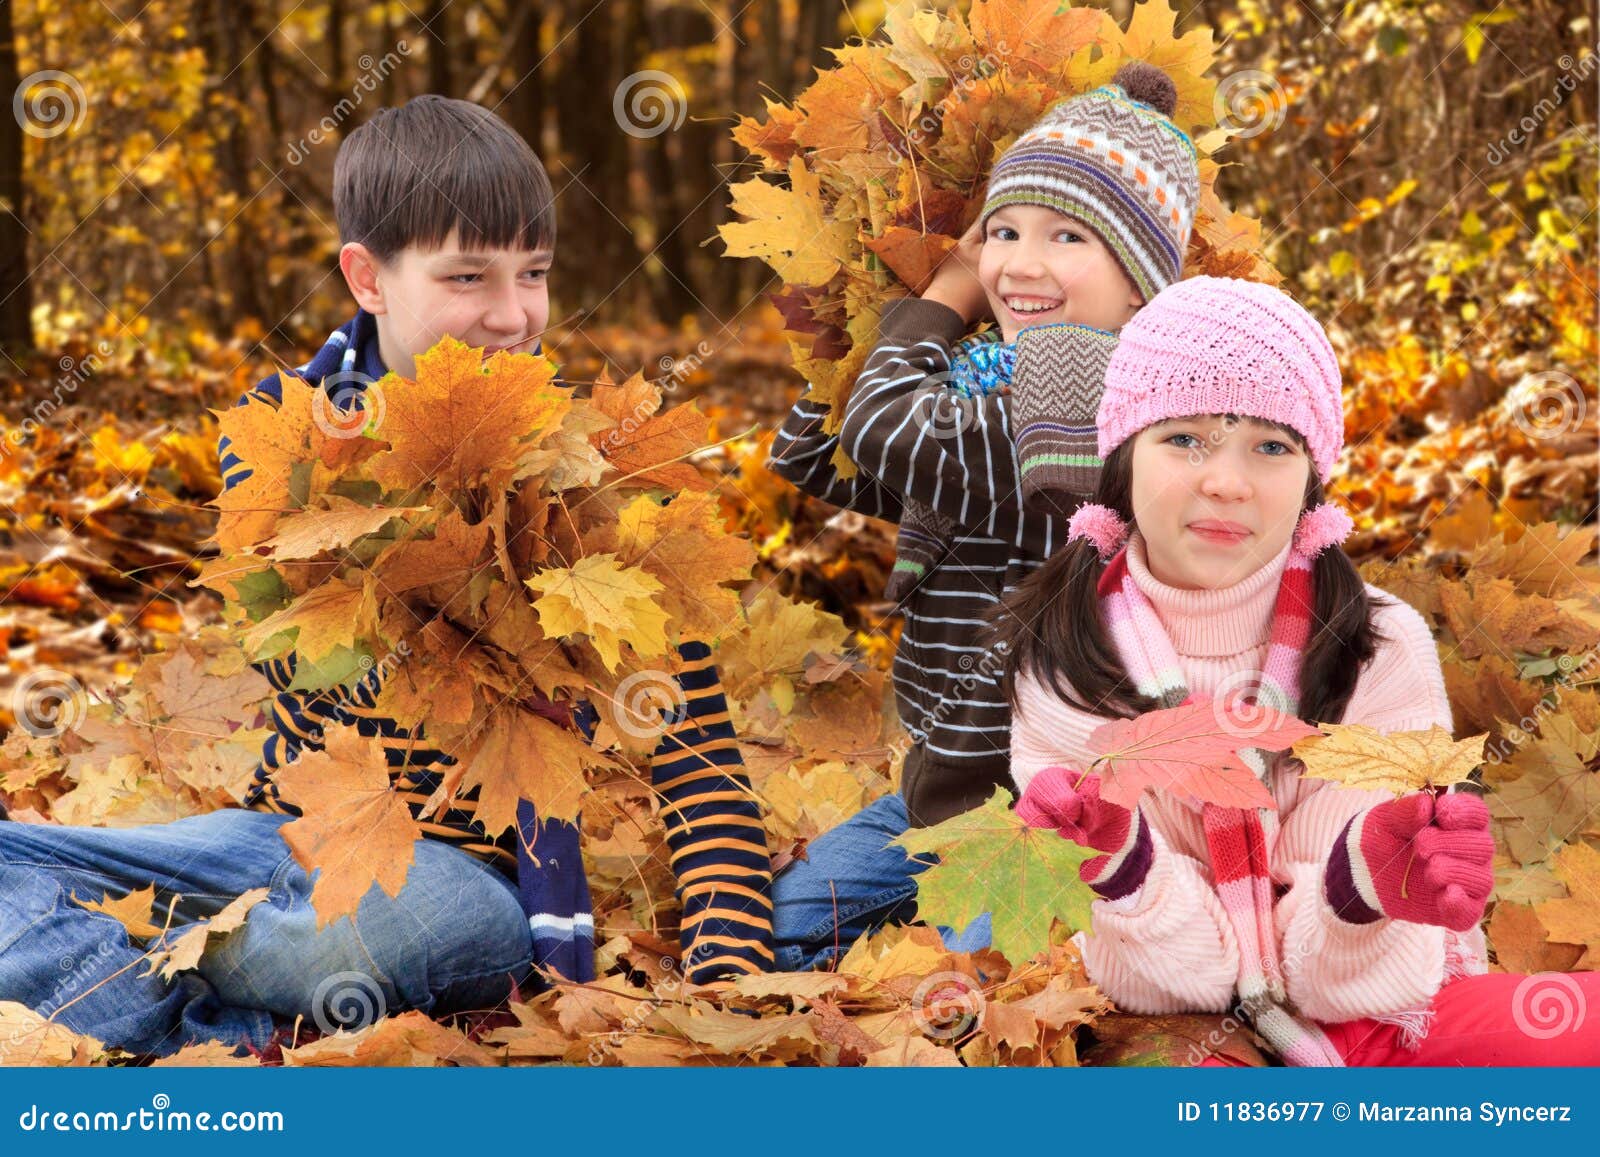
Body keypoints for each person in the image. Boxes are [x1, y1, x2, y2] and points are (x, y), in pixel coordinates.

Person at [0, 96, 772, 1059]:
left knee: (444, 931)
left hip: (451, 880)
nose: (514, 314)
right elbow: (305, 666)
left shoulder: (587, 473)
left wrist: (731, 980)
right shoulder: (286, 437)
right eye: (467, 276)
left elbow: (696, 753)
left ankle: (115, 993)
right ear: (368, 278)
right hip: (277, 841)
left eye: (534, 272)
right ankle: (195, 1006)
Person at [996, 274, 1600, 1066]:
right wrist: (1125, 868)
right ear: (1123, 458)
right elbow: (1167, 985)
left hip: (1381, 1010)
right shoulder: (1064, 663)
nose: (1226, 481)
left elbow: (1364, 983)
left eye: (1272, 446)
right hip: (1173, 1031)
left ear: (1312, 479)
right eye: (1183, 438)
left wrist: (1364, 884)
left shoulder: (1376, 645)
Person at [765, 64, 1200, 969]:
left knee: (982, 983)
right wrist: (860, 325)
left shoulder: (1092, 396)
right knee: (791, 924)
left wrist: (938, 299)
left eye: (1067, 235)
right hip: (941, 800)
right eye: (1001, 232)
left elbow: (886, 431)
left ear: (1140, 285)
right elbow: (814, 454)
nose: (1019, 263)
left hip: (1042, 819)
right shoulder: (982, 381)